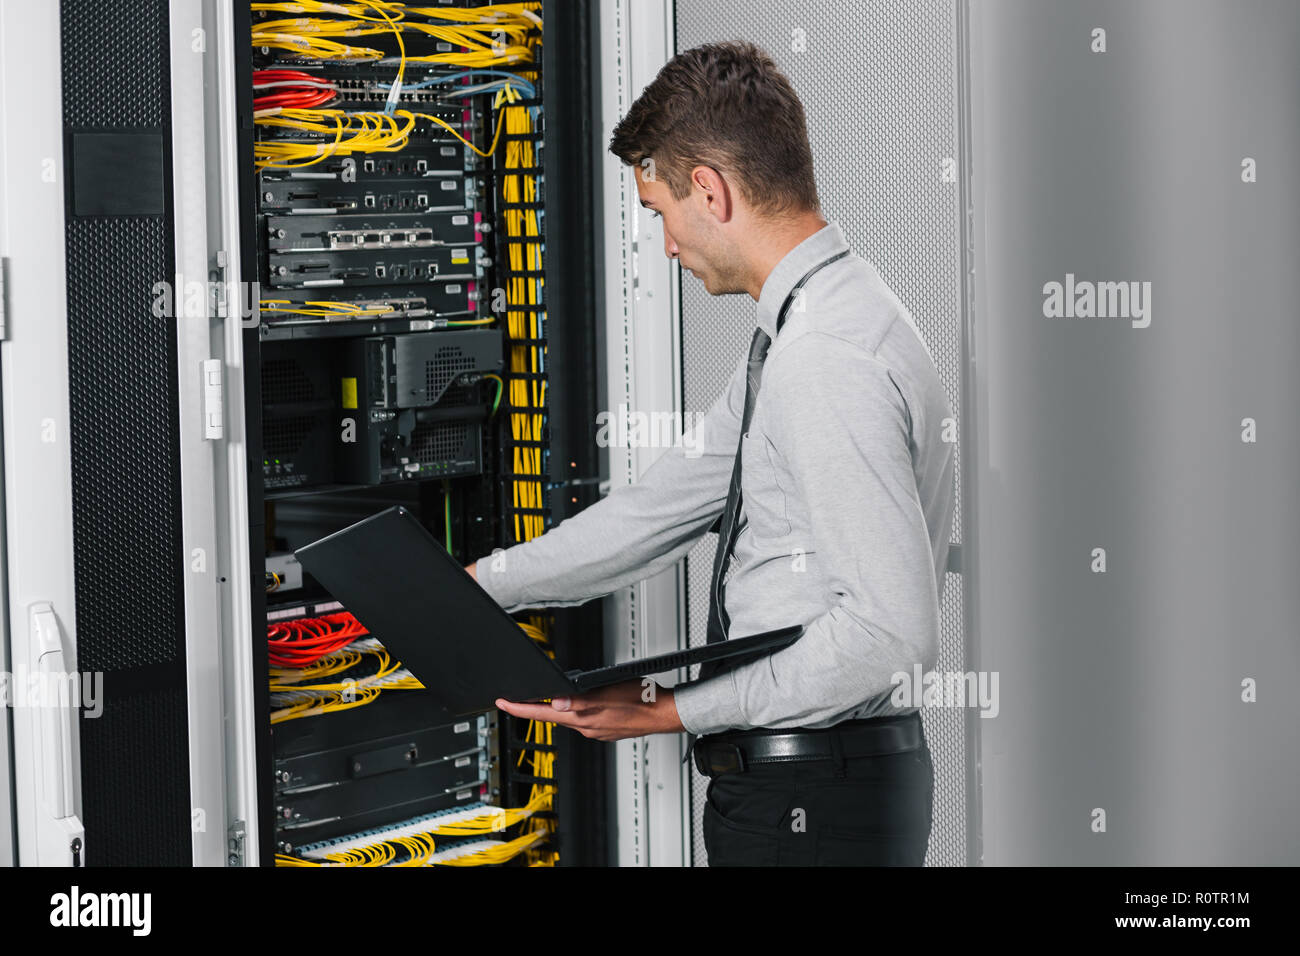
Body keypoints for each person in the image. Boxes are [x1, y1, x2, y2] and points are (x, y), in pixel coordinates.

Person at [467, 40, 955, 866]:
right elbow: (665, 505)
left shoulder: (824, 358)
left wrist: (670, 710)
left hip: (809, 801)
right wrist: (487, 586)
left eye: (658, 213)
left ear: (710, 190)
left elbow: (887, 633)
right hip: (812, 788)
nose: (664, 246)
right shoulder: (813, 324)